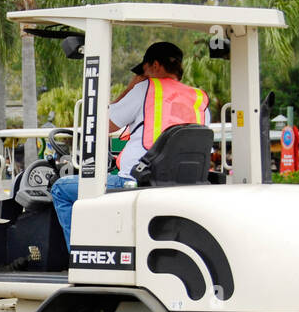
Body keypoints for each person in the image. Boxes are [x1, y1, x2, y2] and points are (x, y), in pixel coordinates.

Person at [50, 42, 208, 248]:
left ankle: (79, 258)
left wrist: (131, 87)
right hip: (183, 183)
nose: (142, 76)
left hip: (136, 182)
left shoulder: (145, 89)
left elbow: (102, 125)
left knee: (61, 188)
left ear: (156, 66)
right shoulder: (197, 97)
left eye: (143, 71)